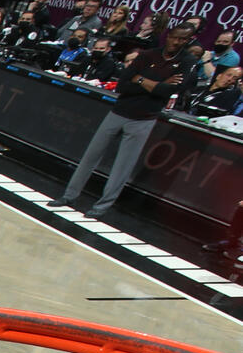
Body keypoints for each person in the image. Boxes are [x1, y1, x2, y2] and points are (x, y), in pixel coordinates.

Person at [53, 25, 197, 217]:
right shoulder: (148, 54)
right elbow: (123, 84)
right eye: (176, 38)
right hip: (119, 111)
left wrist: (141, 79)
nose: (178, 42)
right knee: (90, 156)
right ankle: (69, 196)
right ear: (168, 36)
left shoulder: (187, 61)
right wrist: (157, 84)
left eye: (184, 40)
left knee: (123, 167)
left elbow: (169, 91)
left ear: (188, 41)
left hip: (144, 118)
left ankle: (101, 207)